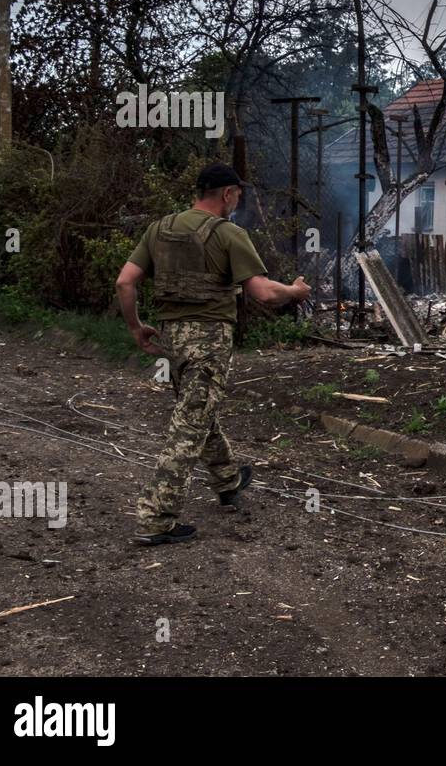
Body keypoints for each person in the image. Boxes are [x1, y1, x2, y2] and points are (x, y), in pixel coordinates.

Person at [114, 163, 311, 545]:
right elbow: (264, 293)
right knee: (188, 426)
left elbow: (125, 282)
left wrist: (136, 327)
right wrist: (294, 292)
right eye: (238, 193)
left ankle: (227, 481)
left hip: (172, 339)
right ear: (227, 194)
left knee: (197, 413)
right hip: (209, 341)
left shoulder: (159, 229)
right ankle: (156, 518)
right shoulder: (229, 234)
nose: (238, 199)